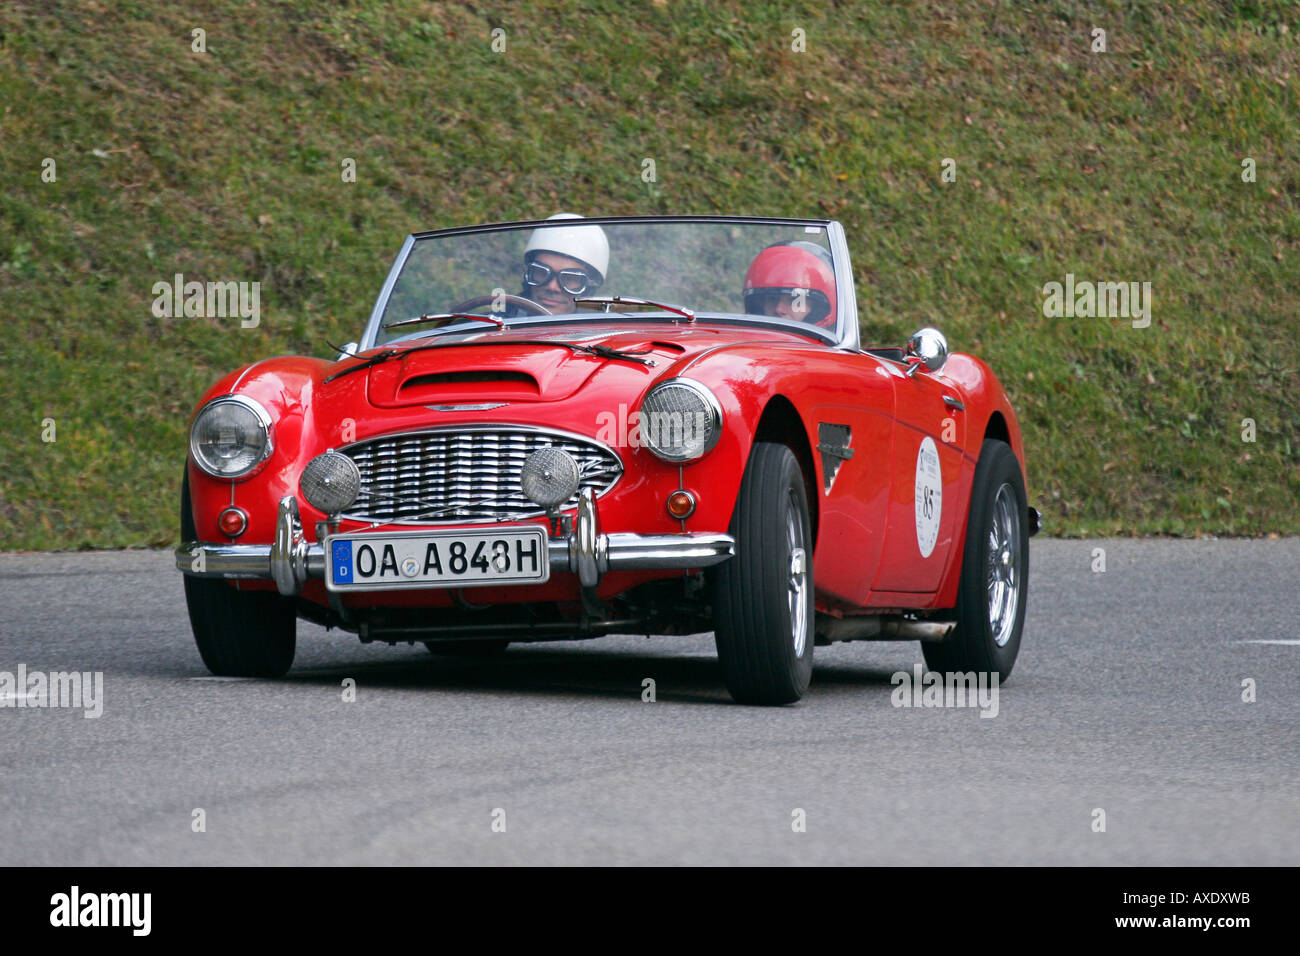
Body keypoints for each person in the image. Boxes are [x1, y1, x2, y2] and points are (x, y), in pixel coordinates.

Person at [516, 213, 609, 314]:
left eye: (569, 278)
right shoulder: (500, 316)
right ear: (528, 276)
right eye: (542, 272)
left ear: (588, 288)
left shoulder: (604, 327)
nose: (552, 287)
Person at [741, 240, 837, 329]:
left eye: (794, 300)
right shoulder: (743, 343)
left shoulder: (838, 346)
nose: (779, 309)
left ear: (817, 309)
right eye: (772, 299)